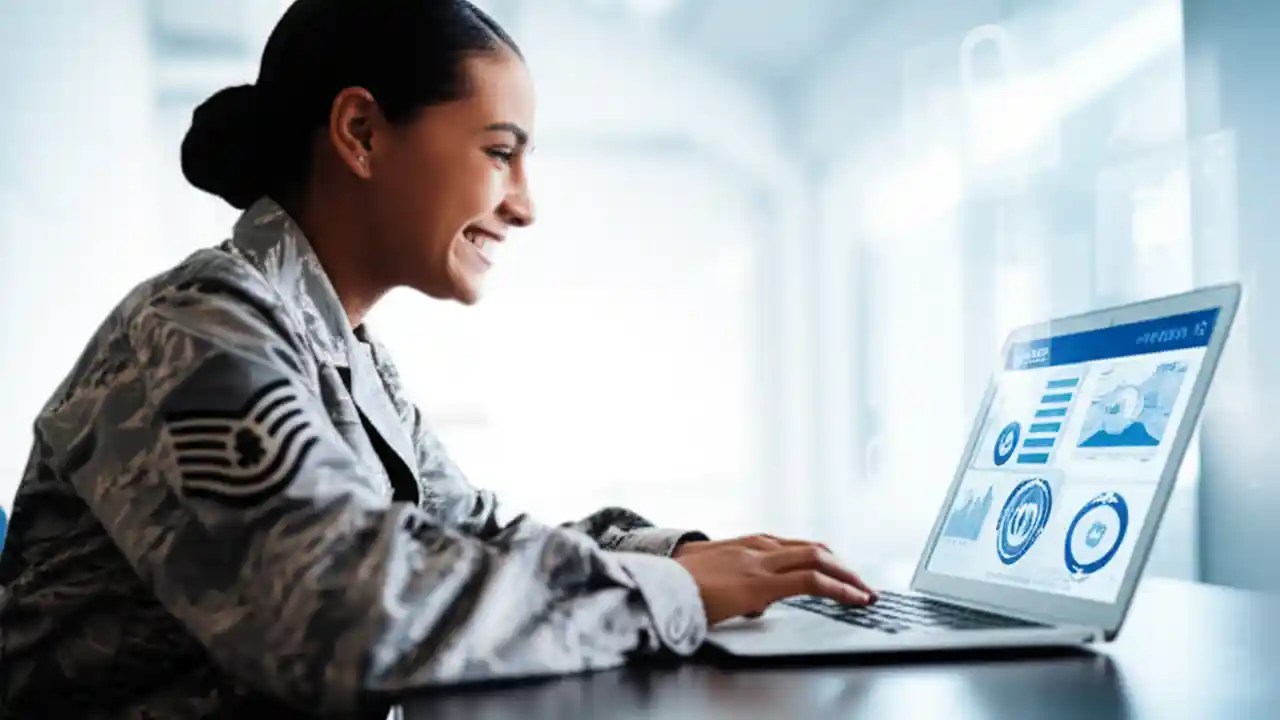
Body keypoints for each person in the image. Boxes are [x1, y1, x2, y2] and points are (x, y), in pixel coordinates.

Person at [0, 0, 876, 717]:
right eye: (501, 154)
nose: (524, 205)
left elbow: (468, 540)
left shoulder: (338, 353)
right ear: (362, 133)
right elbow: (348, 615)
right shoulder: (199, 329)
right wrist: (666, 594)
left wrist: (677, 555)